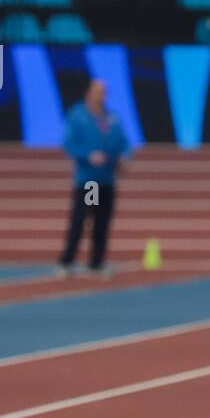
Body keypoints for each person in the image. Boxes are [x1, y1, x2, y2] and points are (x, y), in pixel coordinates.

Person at [57, 78, 131, 278]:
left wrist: (124, 157)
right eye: (99, 91)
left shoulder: (111, 117)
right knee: (81, 220)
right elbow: (69, 144)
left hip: (107, 179)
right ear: (89, 92)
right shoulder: (78, 115)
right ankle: (67, 261)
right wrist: (88, 155)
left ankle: (96, 262)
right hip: (90, 181)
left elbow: (124, 143)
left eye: (104, 92)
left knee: (102, 221)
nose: (102, 95)